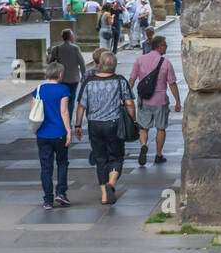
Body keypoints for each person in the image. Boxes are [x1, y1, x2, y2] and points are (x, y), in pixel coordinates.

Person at [73, 50, 135, 205]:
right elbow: (129, 104)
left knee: (100, 159)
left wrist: (78, 125)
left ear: (100, 64)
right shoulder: (120, 81)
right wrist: (133, 120)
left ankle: (104, 196)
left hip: (94, 124)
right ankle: (111, 184)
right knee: (116, 156)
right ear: (114, 65)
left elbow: (81, 106)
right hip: (114, 124)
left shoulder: (89, 82)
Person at [128, 35, 181, 166]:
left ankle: (144, 146)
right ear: (160, 47)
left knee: (143, 128)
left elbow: (132, 80)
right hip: (160, 100)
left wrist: (125, 97)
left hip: (143, 100)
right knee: (161, 128)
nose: (166, 48)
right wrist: (178, 101)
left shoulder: (139, 60)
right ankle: (158, 155)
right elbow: (172, 83)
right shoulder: (166, 63)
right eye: (165, 46)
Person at [33, 62, 72, 209]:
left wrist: (35, 130)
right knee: (62, 163)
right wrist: (69, 131)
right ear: (60, 75)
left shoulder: (38, 89)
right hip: (59, 133)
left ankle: (47, 200)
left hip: (43, 133)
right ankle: (61, 192)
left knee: (45, 167)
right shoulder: (63, 89)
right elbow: (64, 111)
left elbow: (33, 112)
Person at [48, 28, 87, 119]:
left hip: (60, 79)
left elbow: (50, 63)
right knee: (71, 100)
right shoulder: (75, 48)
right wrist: (84, 77)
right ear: (70, 37)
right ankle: (68, 119)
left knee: (60, 100)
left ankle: (60, 118)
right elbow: (82, 64)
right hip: (73, 79)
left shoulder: (56, 49)